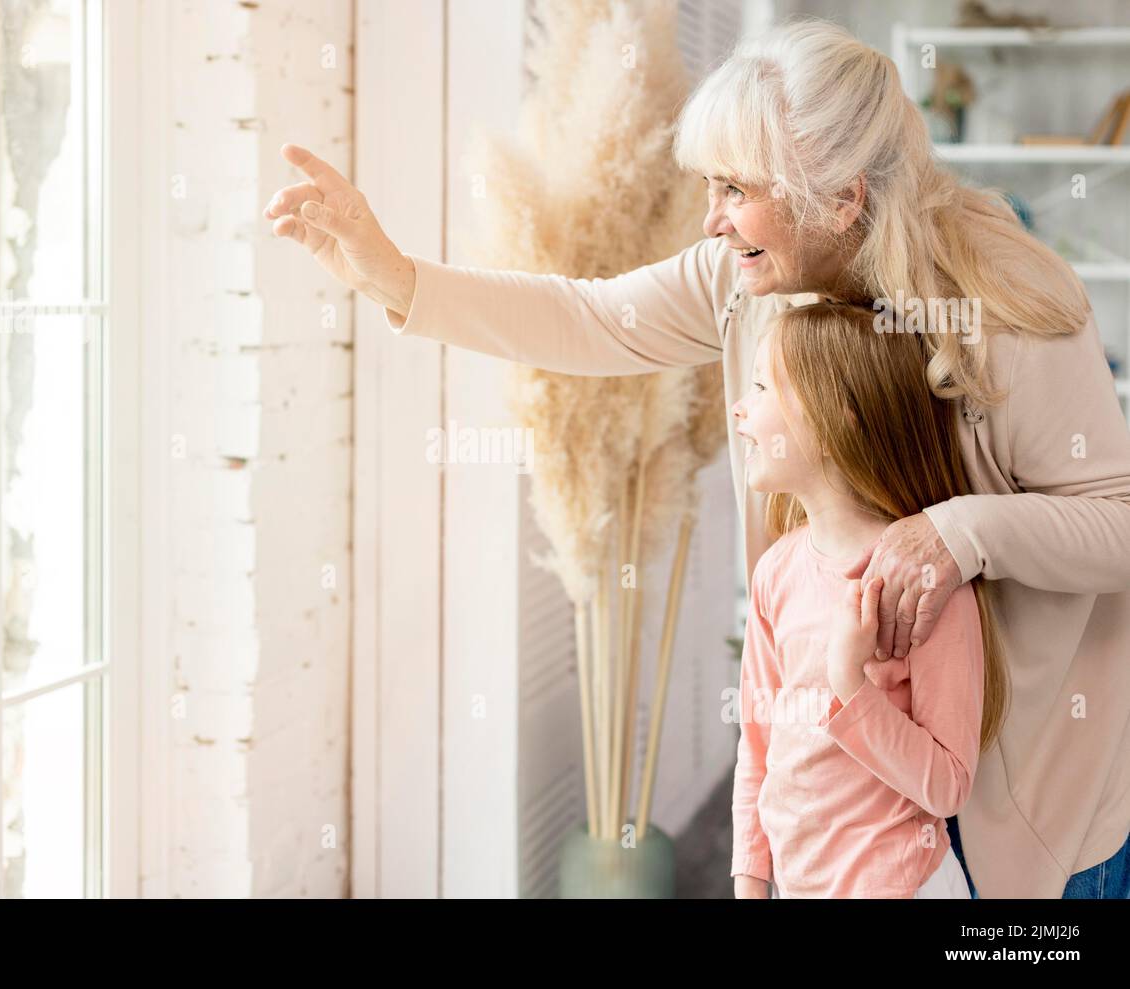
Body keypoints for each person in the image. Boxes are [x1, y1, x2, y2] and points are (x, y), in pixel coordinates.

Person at [266, 19, 1130, 898]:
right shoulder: (747, 276)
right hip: (852, 830)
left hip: (1024, 808)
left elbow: (1120, 526)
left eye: (735, 189)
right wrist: (396, 278)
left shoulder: (1006, 303)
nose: (713, 218)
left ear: (840, 198)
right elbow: (592, 317)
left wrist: (961, 532)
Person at [730, 303, 997, 898]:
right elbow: (759, 744)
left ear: (835, 421)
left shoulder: (925, 586)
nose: (739, 406)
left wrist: (849, 685)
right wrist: (751, 882)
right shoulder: (776, 571)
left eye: (760, 387)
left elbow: (948, 784)